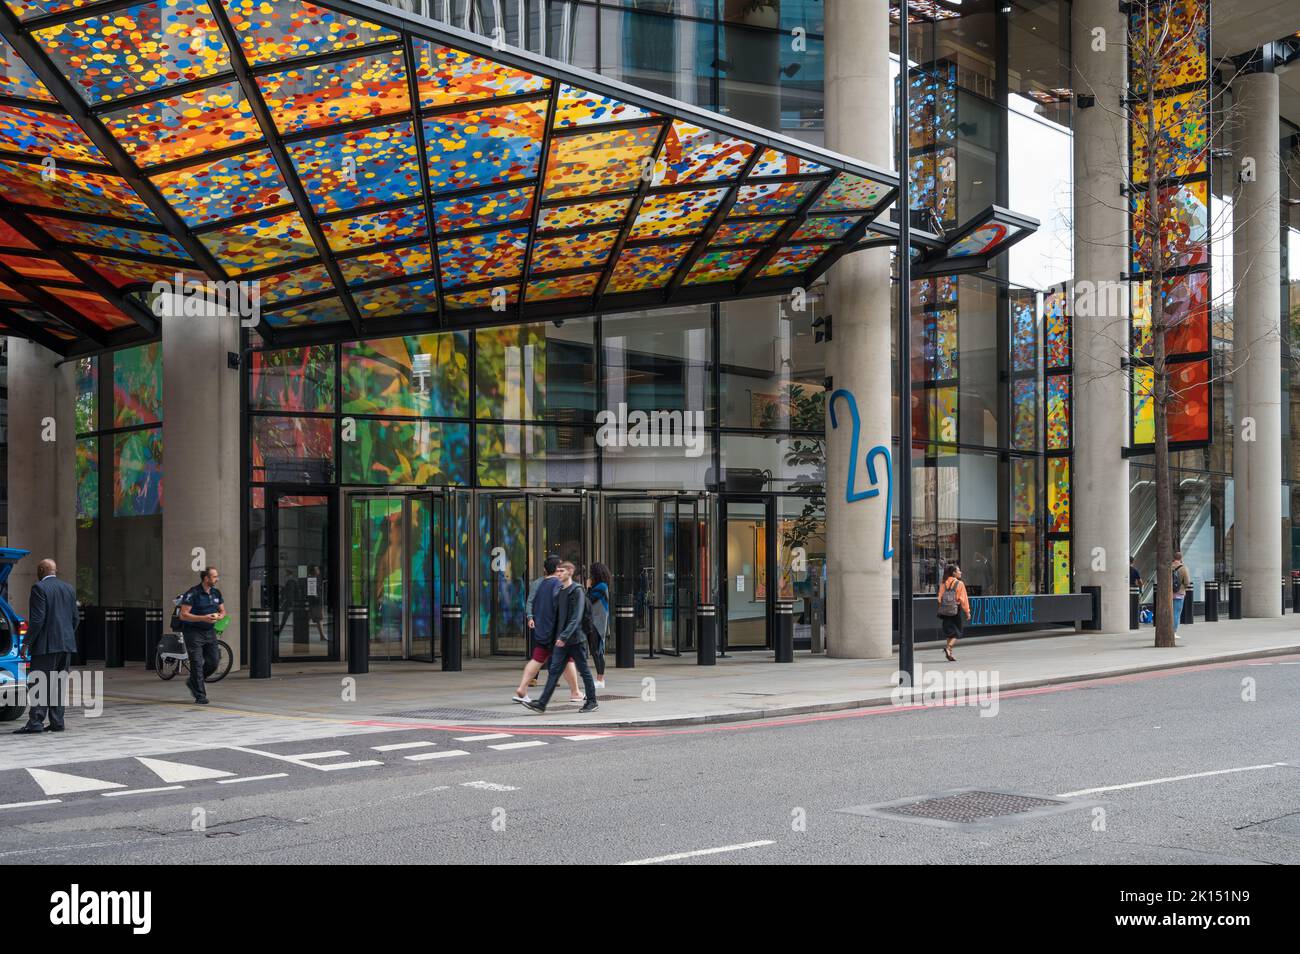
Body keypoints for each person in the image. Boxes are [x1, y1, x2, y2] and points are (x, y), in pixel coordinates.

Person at [14, 558, 79, 734]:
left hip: (46, 645)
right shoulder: (68, 588)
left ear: (41, 570)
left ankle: (36, 722)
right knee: (58, 683)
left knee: (40, 683)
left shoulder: (39, 588)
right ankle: (57, 722)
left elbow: (37, 620)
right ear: (54, 571)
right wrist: (65, 637)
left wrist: (26, 643)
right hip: (66, 645)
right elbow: (75, 619)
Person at [523, 562, 598, 713]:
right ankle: (542, 703)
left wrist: (564, 636)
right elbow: (557, 618)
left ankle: (592, 702)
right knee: (554, 672)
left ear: (570, 571)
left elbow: (576, 618)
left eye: (562, 571)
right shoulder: (560, 592)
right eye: (558, 571)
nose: (559, 574)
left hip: (576, 640)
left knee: (584, 671)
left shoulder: (577, 591)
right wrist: (554, 637)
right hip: (561, 641)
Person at [513, 558, 581, 705]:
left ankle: (522, 688)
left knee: (536, 660)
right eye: (561, 568)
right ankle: (575, 692)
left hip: (542, 631)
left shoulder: (540, 584)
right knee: (568, 660)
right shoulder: (558, 585)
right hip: (555, 632)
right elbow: (559, 608)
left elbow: (535, 603)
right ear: (557, 569)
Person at [179, 566, 226, 705]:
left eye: (217, 576)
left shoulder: (216, 593)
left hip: (209, 631)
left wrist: (219, 617)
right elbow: (183, 615)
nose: (217, 579)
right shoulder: (193, 593)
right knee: (197, 663)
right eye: (214, 577)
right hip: (193, 632)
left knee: (213, 662)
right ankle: (200, 695)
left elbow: (223, 611)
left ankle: (193, 682)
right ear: (206, 578)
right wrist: (203, 618)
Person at [585, 563, 611, 689]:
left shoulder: (601, 586)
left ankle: (600, 679)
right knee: (595, 650)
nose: (590, 575)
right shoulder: (600, 586)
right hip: (595, 622)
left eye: (591, 572)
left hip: (598, 623)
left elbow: (588, 601)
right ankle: (600, 678)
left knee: (597, 651)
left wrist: (588, 587)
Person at [936, 563, 970, 663]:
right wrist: (967, 612)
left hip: (945, 610)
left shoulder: (943, 583)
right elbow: (964, 599)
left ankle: (950, 653)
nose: (960, 572)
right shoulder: (959, 584)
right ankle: (949, 647)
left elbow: (939, 598)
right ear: (954, 573)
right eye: (959, 570)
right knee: (957, 632)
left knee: (949, 632)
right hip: (955, 610)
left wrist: (942, 607)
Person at [1171, 550, 1191, 638]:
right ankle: (1173, 632)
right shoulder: (1183, 568)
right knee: (1176, 613)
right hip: (1179, 593)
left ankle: (1167, 630)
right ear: (1181, 558)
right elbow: (1187, 582)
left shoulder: (1169, 567)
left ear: (1173, 558)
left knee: (1169, 613)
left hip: (1168, 594)